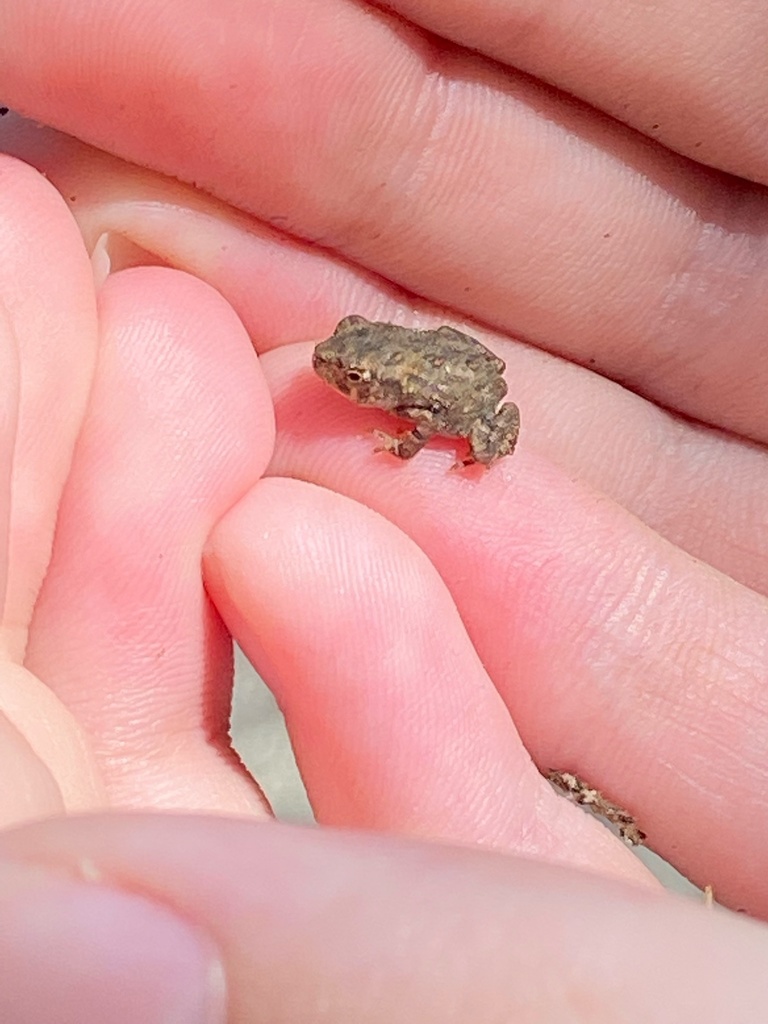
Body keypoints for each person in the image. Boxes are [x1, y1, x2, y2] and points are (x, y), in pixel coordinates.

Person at [0, 1, 766, 1019]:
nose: (334, 377)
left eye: (346, 372)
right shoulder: (364, 363)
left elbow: (447, 405)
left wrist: (420, 445)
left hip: (466, 388)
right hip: (448, 356)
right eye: (343, 365)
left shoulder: (401, 400)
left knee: (466, 451)